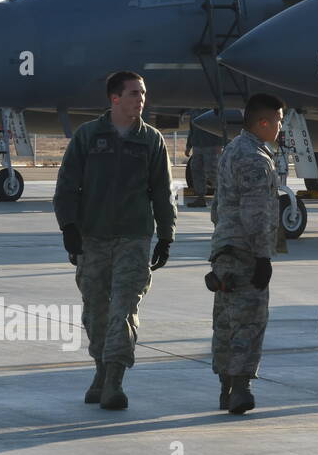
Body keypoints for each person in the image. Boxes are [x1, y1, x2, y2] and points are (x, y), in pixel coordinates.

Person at [54, 71, 175, 410]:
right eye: (134, 93)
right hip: (92, 238)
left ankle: (114, 382)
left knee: (123, 309)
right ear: (115, 98)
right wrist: (69, 228)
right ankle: (100, 369)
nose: (141, 99)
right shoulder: (88, 137)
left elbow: (162, 193)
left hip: (134, 238)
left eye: (143, 93)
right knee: (96, 311)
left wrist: (166, 236)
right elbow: (66, 187)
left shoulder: (151, 141)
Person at [205, 93, 285, 414]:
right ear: (263, 122)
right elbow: (256, 213)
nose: (280, 127)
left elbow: (217, 207)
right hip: (246, 252)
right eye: (278, 121)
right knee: (248, 321)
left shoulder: (231, 151)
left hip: (224, 249)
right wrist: (263, 256)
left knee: (226, 320)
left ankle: (226, 388)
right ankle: (240, 386)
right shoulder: (255, 158)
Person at [184, 111, 224, 208]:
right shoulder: (194, 112)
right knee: (196, 171)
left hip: (211, 146)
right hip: (197, 146)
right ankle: (200, 197)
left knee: (212, 172)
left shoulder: (214, 111)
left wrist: (220, 143)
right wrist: (188, 146)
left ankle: (222, 196)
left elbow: (221, 128)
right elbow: (192, 130)